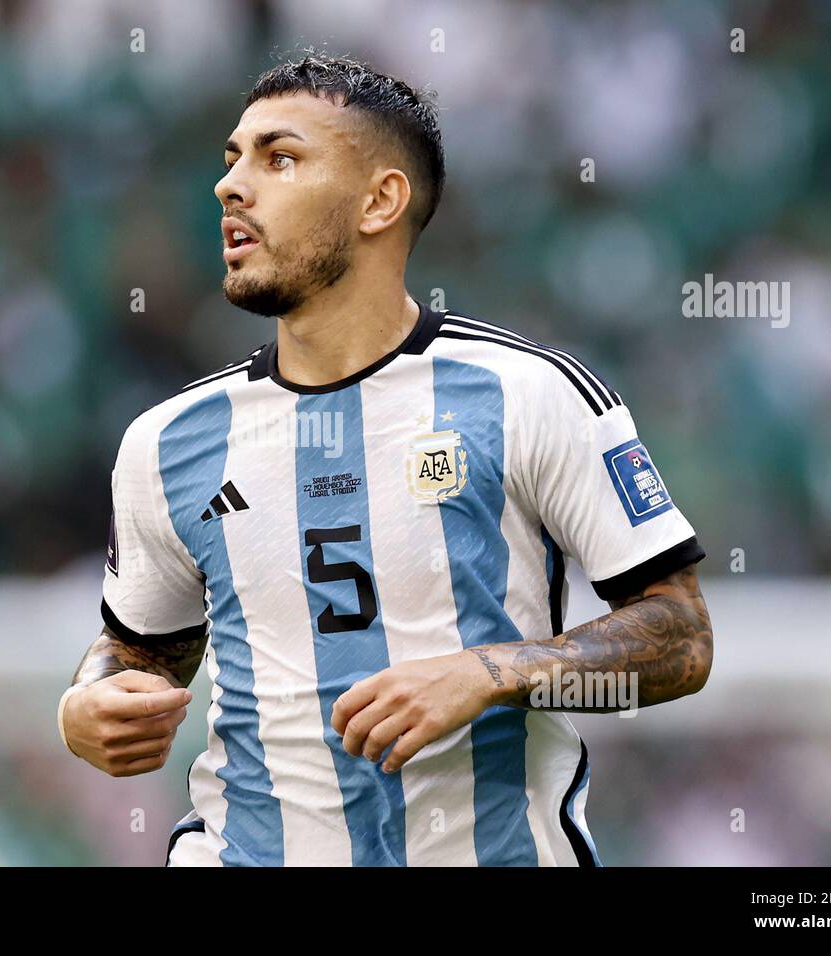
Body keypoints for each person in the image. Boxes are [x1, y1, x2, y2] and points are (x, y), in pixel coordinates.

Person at [58, 51, 712, 867]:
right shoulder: (166, 440)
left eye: (280, 157)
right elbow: (142, 647)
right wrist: (91, 698)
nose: (231, 186)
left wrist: (491, 673)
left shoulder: (528, 394)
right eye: (232, 160)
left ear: (380, 200)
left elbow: (682, 643)